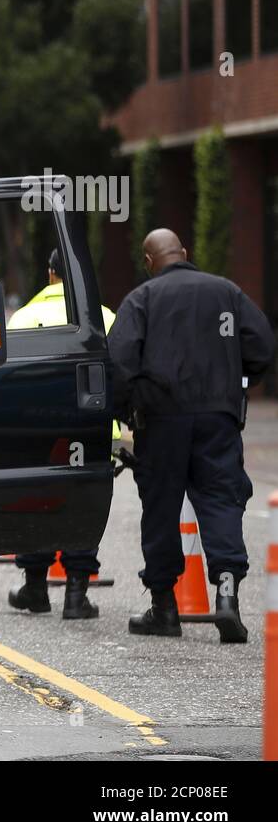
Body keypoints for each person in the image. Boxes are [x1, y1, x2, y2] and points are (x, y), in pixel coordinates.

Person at [109, 228, 275, 642]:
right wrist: (234, 383)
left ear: (149, 262)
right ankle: (226, 595)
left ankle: (164, 609)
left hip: (160, 420)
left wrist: (121, 411)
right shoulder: (227, 292)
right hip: (218, 418)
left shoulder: (141, 300)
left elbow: (118, 363)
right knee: (221, 498)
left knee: (162, 509)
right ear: (184, 253)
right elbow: (262, 346)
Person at [5, 249, 118, 620]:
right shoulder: (105, 318)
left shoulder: (23, 318)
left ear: (50, 273)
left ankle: (35, 588)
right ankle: (76, 594)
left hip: (35, 430)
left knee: (39, 500)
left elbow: (6, 380)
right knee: (83, 504)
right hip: (91, 428)